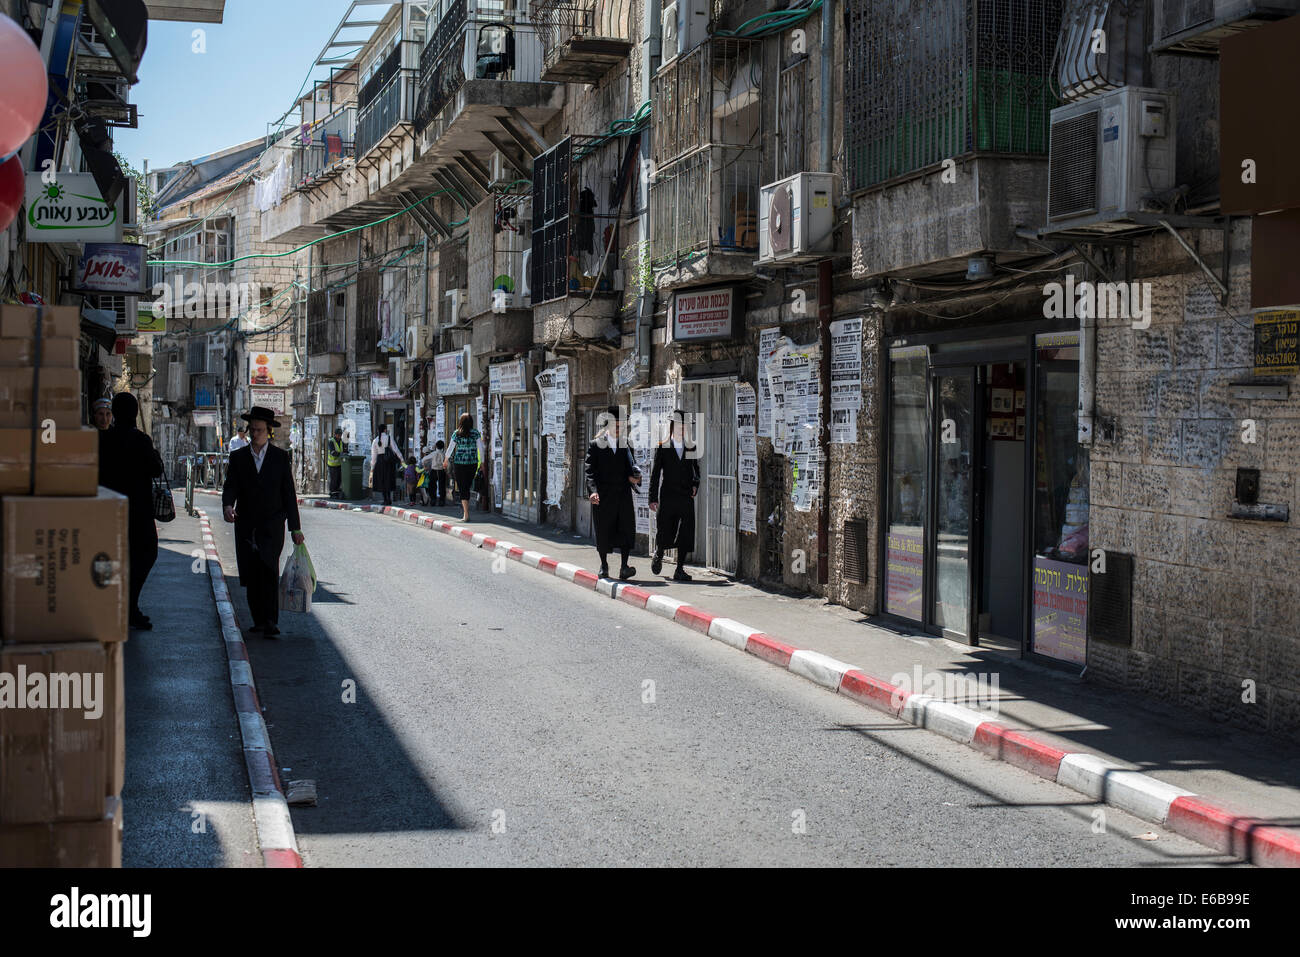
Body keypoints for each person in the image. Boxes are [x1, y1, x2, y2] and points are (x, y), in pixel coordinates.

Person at [221, 406, 304, 638]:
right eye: (252, 429)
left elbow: (288, 493)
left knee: (269, 568)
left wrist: (295, 528)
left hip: (272, 524)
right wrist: (228, 506)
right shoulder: (238, 458)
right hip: (246, 524)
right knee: (251, 572)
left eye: (259, 430)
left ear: (268, 431)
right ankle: (258, 619)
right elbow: (231, 487)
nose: (254, 433)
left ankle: (270, 620)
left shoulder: (280, 458)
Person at [98, 392, 164, 630]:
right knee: (145, 555)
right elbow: (156, 469)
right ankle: (129, 605)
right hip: (138, 512)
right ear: (135, 413)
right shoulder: (140, 440)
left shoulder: (103, 440)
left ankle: (114, 606)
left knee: (112, 558)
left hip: (108, 509)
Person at [584, 405, 641, 580]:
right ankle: (604, 565)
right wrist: (593, 492)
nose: (620, 428)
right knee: (603, 530)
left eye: (622, 425)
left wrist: (635, 479)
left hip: (623, 495)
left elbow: (632, 469)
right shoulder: (596, 445)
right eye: (617, 425)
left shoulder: (627, 445)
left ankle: (624, 567)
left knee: (626, 529)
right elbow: (589, 471)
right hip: (604, 496)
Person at [648, 409, 700, 581]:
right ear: (672, 426)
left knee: (686, 531)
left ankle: (679, 569)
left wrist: (695, 484)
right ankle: (660, 551)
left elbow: (696, 470)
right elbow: (655, 474)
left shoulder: (691, 446)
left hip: (685, 496)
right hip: (668, 496)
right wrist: (652, 498)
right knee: (665, 530)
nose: (682, 429)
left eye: (685, 426)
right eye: (679, 425)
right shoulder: (663, 447)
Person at [448, 413, 482, 523]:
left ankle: (466, 514)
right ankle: (466, 513)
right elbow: (481, 448)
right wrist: (482, 463)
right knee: (467, 486)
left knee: (462, 487)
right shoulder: (476, 433)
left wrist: (445, 460)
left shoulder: (457, 433)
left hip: (459, 463)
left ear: (461, 422)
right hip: (472, 463)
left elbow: (450, 448)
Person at [369, 424, 399, 506]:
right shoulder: (389, 438)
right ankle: (389, 498)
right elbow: (396, 450)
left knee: (381, 480)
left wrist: (372, 468)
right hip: (388, 462)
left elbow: (373, 456)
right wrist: (402, 460)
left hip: (380, 462)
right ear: (385, 430)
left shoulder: (375, 441)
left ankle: (385, 499)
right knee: (388, 480)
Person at [420, 440, 448, 506]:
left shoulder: (433, 453)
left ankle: (433, 500)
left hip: (434, 470)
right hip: (441, 471)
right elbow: (447, 463)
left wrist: (425, 466)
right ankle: (441, 501)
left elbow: (424, 459)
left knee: (432, 486)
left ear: (436, 446)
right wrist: (447, 471)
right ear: (443, 447)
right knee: (442, 486)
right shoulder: (444, 454)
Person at [326, 426, 345, 499]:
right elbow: (332, 452)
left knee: (339, 479)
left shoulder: (341, 441)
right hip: (332, 464)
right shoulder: (331, 441)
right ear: (335, 434)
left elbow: (343, 449)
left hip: (339, 464)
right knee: (334, 479)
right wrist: (340, 454)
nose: (339, 436)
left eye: (340, 435)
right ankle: (332, 492)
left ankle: (336, 492)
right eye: (338, 435)